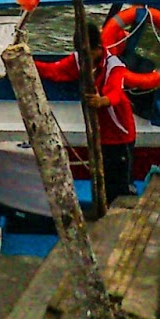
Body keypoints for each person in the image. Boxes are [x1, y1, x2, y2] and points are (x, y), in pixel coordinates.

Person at [34, 21, 136, 203]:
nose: (82, 57)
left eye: (85, 53)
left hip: (120, 135)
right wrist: (29, 63)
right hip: (99, 134)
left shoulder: (114, 66)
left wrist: (101, 101)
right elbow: (55, 71)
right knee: (101, 178)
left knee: (118, 186)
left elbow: (115, 94)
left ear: (97, 49)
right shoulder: (79, 60)